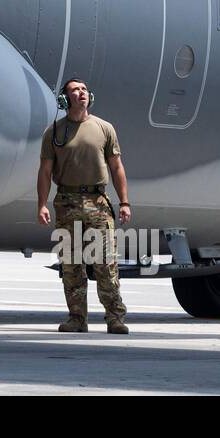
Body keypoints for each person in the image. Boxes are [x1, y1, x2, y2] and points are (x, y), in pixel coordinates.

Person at [36, 77, 130, 334]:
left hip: (98, 203)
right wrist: (42, 204)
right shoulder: (54, 132)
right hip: (66, 203)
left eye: (84, 90)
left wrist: (124, 202)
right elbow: (45, 172)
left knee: (105, 262)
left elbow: (117, 167)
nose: (81, 93)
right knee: (71, 264)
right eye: (75, 90)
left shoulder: (104, 128)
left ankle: (115, 318)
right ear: (64, 99)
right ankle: (77, 318)